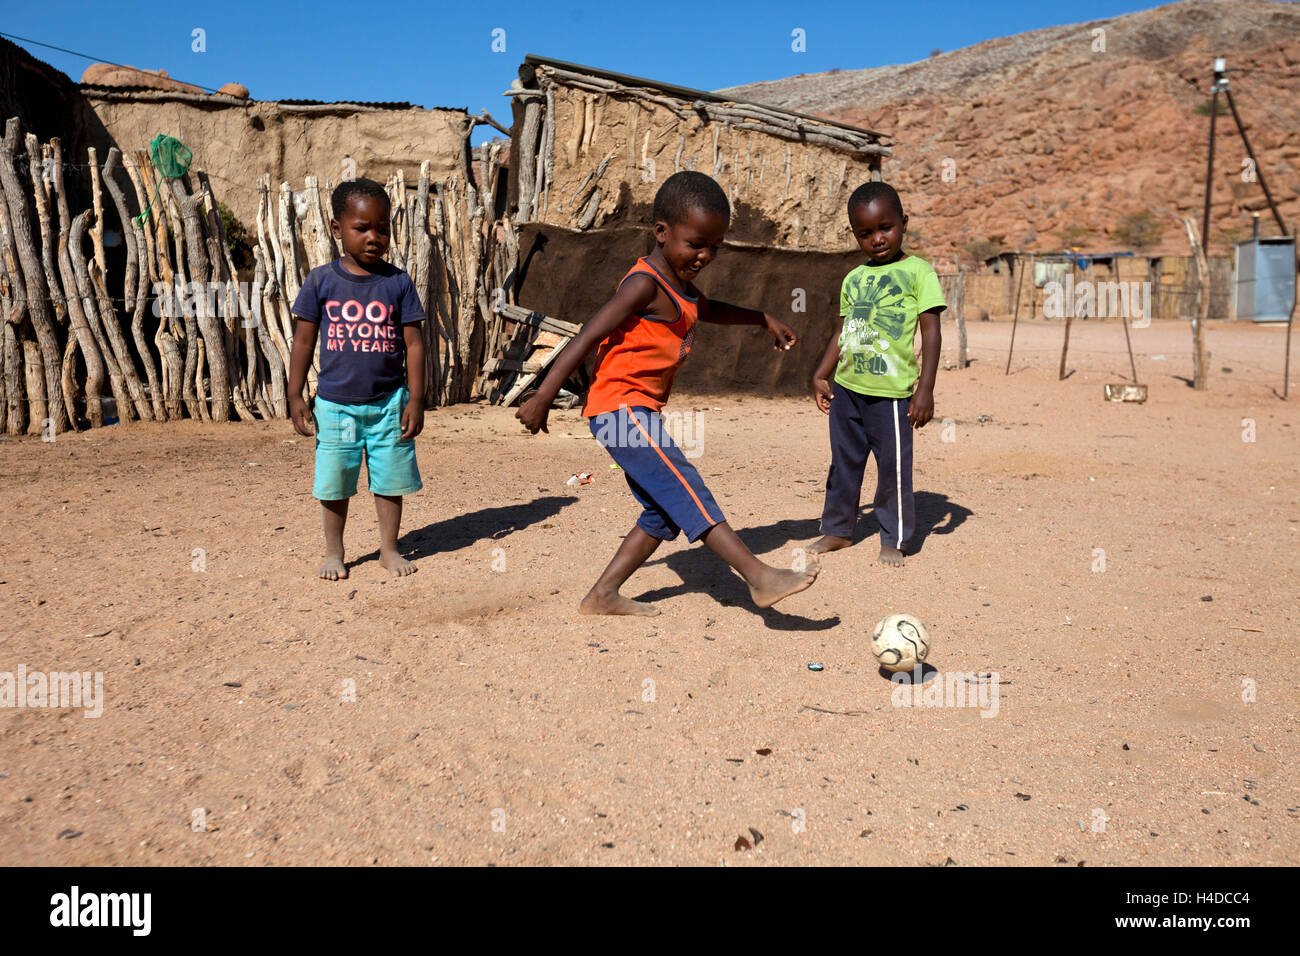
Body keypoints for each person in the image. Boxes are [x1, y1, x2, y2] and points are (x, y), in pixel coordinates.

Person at [516, 171, 819, 616]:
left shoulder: (678, 286)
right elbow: (585, 337)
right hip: (620, 408)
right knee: (683, 483)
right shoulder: (642, 284)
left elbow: (708, 308)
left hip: (638, 411)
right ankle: (758, 576)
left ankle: (602, 596)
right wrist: (544, 395)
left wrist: (762, 318)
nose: (704, 255)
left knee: (663, 509)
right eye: (695, 243)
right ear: (661, 232)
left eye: (713, 246)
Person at [287, 178, 427, 580]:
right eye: (361, 228)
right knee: (335, 481)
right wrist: (295, 394)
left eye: (382, 229)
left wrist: (416, 399)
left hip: (389, 404)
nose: (373, 237)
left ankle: (388, 548)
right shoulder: (321, 281)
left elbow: (414, 345)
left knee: (391, 478)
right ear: (337, 228)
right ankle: (334, 552)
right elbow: (303, 341)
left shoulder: (397, 283)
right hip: (336, 405)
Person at [809, 181, 946, 566]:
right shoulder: (853, 279)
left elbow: (931, 331)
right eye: (865, 233)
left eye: (885, 228)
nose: (877, 239)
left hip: (891, 394)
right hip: (847, 389)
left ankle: (894, 538)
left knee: (892, 469)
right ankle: (837, 530)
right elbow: (843, 331)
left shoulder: (919, 272)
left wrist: (925, 390)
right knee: (843, 462)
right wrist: (821, 372)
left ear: (904, 223)